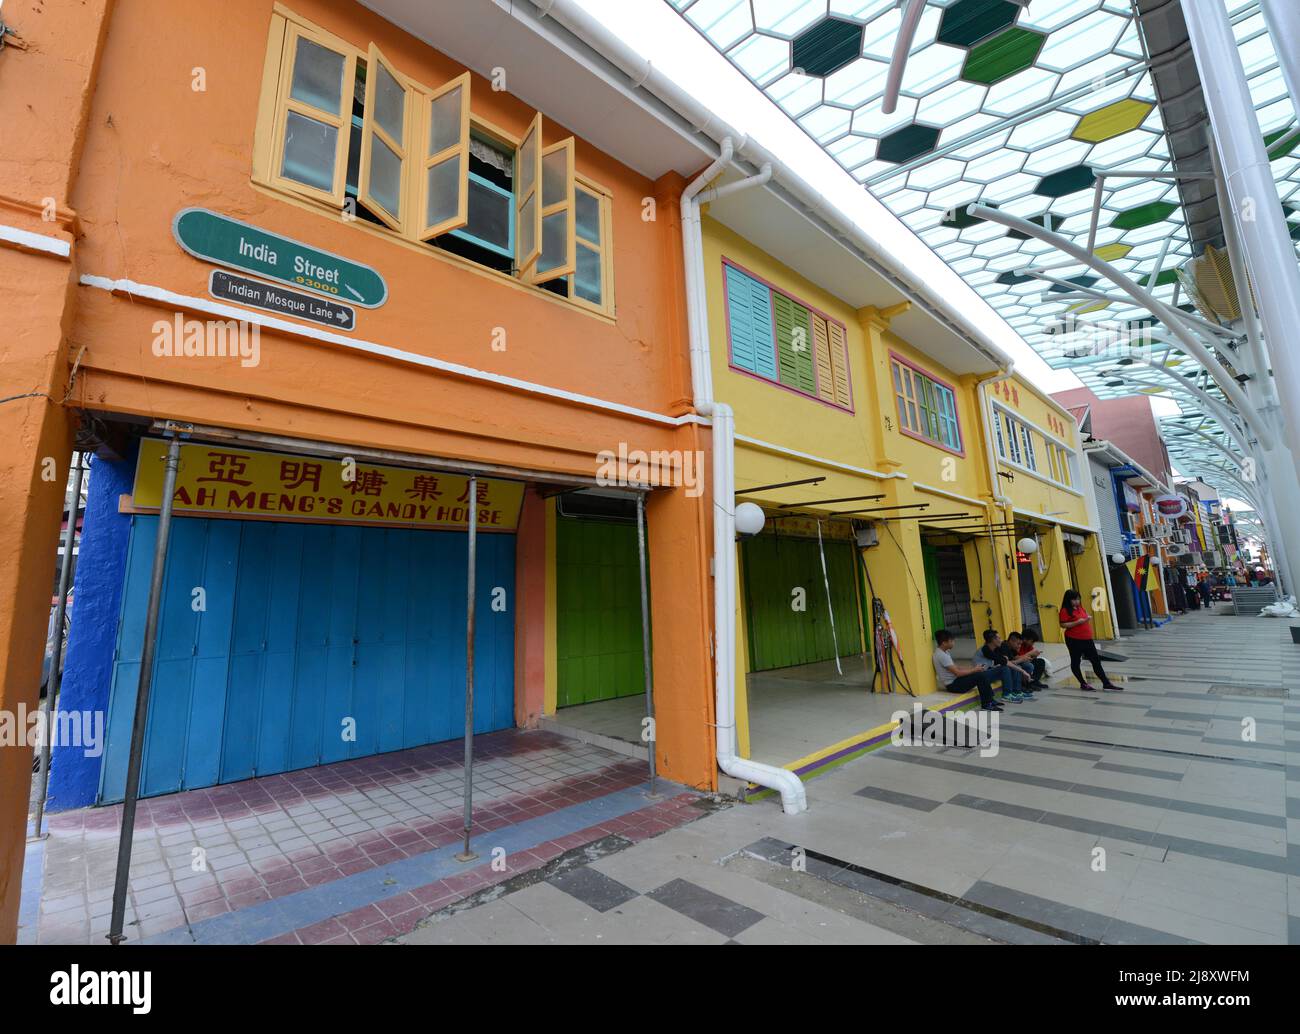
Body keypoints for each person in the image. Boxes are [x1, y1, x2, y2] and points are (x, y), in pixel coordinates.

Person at [1059, 589, 1120, 692]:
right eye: (1074, 600)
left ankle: (1106, 683)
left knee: (1096, 661)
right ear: (1069, 600)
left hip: (1087, 639)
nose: (1077, 602)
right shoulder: (1065, 610)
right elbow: (1063, 625)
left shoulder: (1080, 608)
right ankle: (1083, 683)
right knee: (1076, 661)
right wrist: (1078, 622)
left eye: (1078, 599)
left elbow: (1083, 618)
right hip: (1074, 639)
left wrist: (1086, 618)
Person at [932, 630, 1003, 711]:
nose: (953, 643)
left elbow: (956, 667)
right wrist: (974, 670)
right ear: (944, 643)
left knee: (981, 673)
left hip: (956, 681)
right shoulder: (941, 655)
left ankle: (990, 700)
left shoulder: (944, 652)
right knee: (981, 676)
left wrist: (973, 668)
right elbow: (958, 673)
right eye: (951, 641)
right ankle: (987, 704)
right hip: (953, 685)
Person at [975, 629, 1033, 701]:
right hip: (980, 676)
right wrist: (1023, 672)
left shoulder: (994, 649)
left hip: (987, 672)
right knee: (1005, 668)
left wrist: (1021, 670)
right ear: (993, 640)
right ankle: (1007, 695)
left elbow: (1006, 662)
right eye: (999, 638)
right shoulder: (986, 649)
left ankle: (1017, 691)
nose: (1001, 640)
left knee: (1013, 667)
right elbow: (1005, 662)